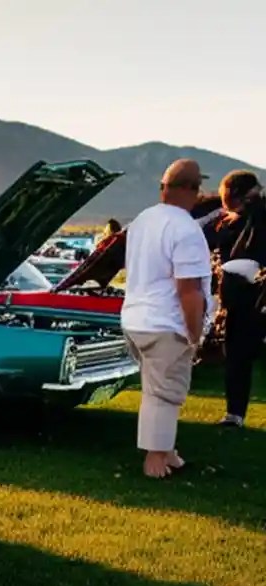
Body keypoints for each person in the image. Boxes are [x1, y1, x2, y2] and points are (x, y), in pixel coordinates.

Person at [120, 159, 214, 478]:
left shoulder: (143, 220)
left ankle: (167, 450)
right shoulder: (186, 229)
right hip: (165, 322)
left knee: (154, 387)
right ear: (193, 190)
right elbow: (188, 289)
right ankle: (155, 458)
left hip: (135, 318)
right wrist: (194, 333)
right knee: (165, 392)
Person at [208, 170, 265, 427]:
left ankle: (235, 413)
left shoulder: (259, 217)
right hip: (236, 299)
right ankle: (235, 413)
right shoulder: (227, 223)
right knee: (236, 355)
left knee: (239, 355)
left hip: (256, 295)